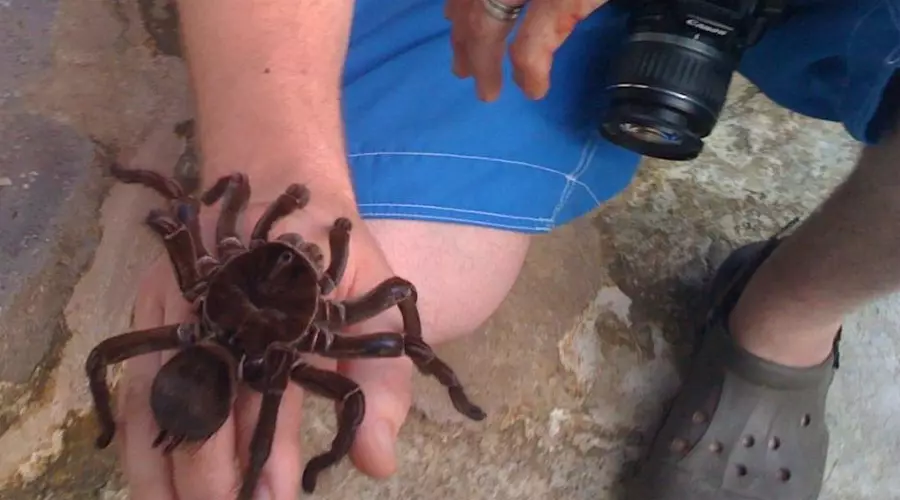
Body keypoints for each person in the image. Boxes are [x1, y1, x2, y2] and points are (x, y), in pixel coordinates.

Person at [112, 0, 898, 498]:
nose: (306, 256)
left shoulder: (221, 296)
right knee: (424, 271)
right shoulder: (299, 342)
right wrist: (273, 148)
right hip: (491, 22)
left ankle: (788, 314)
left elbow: (170, 220)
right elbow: (379, 341)